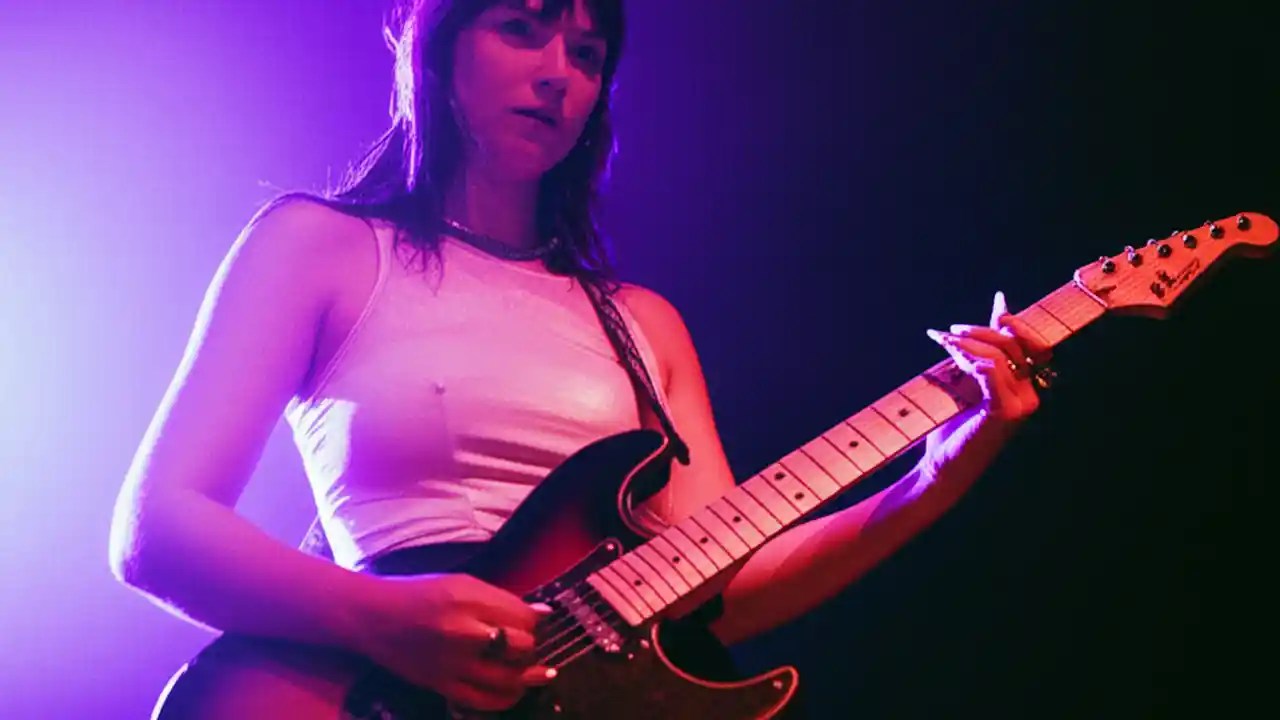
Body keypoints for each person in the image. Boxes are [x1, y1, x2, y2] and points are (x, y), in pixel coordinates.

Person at [108, 0, 1051, 715]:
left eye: (588, 54)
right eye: (522, 30)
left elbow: (727, 585)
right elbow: (159, 529)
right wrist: (384, 622)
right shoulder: (321, 245)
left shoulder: (642, 321)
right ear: (436, 46)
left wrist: (941, 469)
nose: (560, 73)